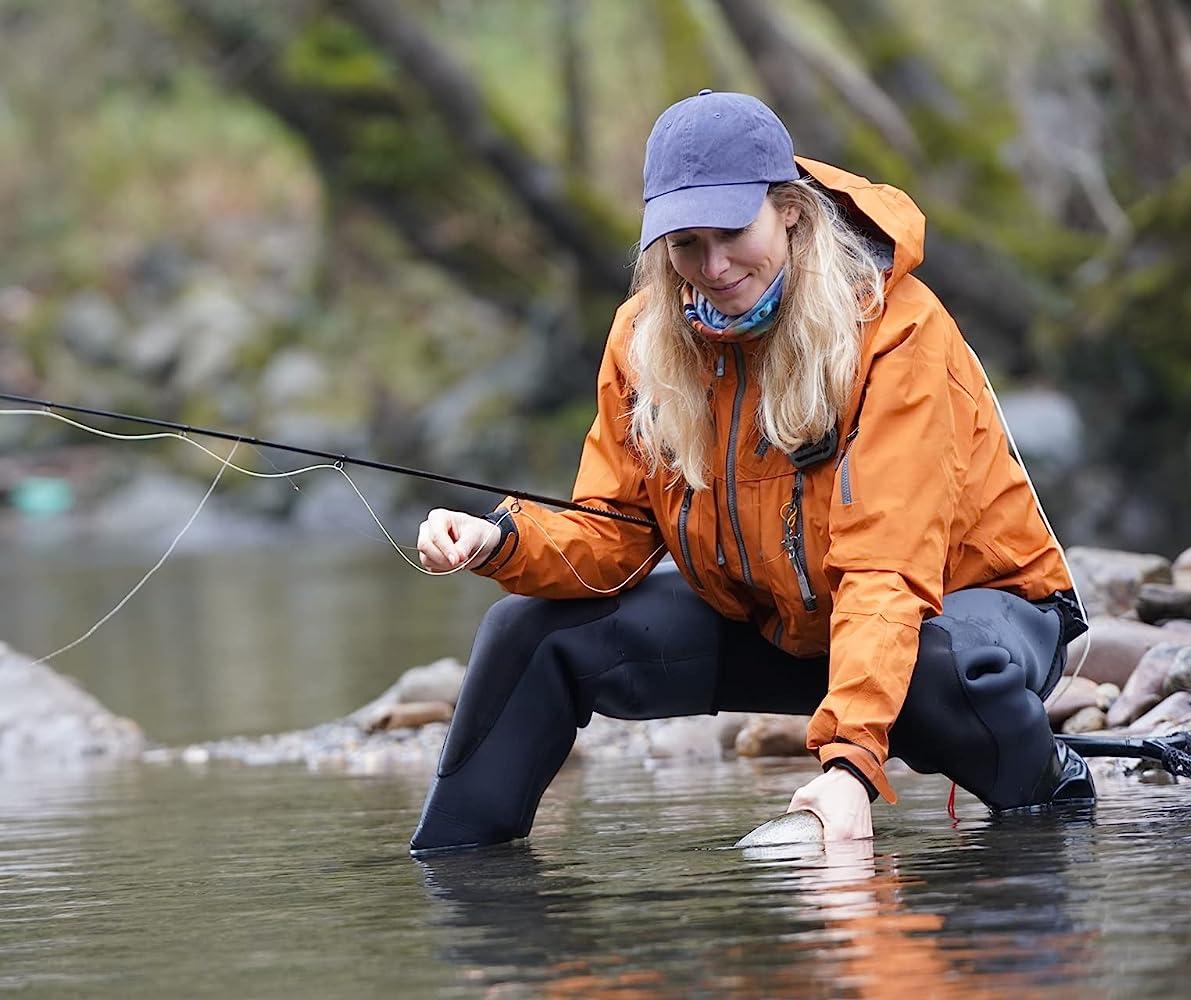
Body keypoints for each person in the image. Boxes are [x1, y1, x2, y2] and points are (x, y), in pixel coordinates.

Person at [410, 90, 1092, 854]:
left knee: (942, 672)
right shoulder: (646, 336)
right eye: (685, 244)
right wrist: (499, 540)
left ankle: (1051, 791)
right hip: (783, 617)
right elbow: (617, 534)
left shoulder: (898, 332)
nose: (714, 267)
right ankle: (459, 879)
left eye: (733, 233)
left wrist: (849, 767)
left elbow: (886, 570)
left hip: (969, 607)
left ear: (790, 209)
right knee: (526, 632)